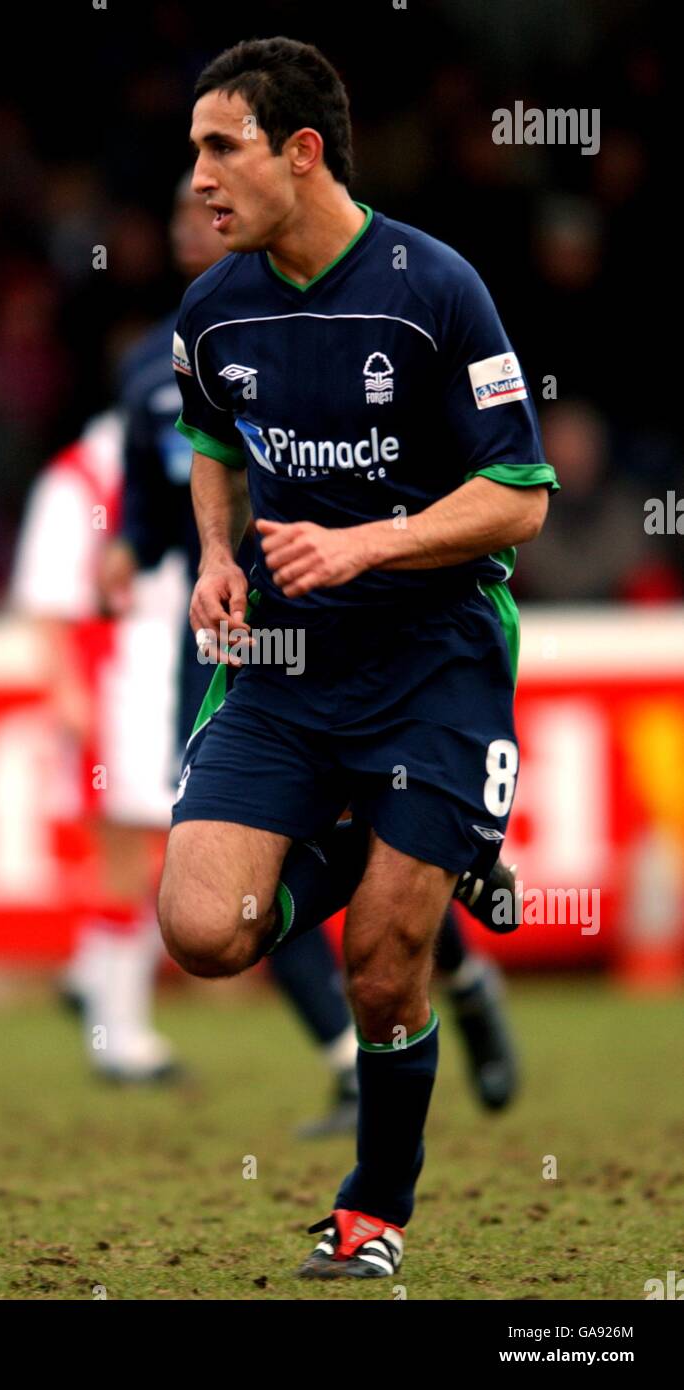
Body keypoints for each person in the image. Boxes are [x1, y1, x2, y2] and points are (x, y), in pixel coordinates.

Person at [157, 37, 558, 1279]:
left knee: (382, 964)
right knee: (201, 929)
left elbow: (520, 496)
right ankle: (419, 858)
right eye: (191, 155)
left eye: (220, 148)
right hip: (282, 660)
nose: (198, 181)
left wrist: (371, 544)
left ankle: (373, 1205)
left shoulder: (432, 288)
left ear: (301, 150)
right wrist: (218, 555)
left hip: (433, 652)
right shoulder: (213, 305)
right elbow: (213, 438)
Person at [105, 173, 522, 1134]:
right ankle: (349, 1056)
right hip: (241, 628)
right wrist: (147, 548)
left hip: (398, 634)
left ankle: (451, 986)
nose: (196, 217)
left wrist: (368, 545)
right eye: (179, 203)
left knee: (387, 895)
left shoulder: (405, 298)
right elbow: (164, 472)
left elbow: (511, 488)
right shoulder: (171, 350)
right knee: (225, 884)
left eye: (217, 170)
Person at [12, 410, 184, 1083]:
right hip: (112, 680)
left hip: (169, 675)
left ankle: (95, 986)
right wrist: (67, 691)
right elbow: (48, 599)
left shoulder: (192, 453)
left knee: (165, 850)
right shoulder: (77, 479)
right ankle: (118, 1036)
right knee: (126, 854)